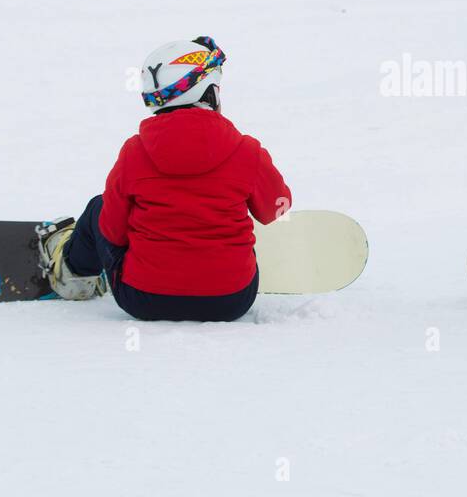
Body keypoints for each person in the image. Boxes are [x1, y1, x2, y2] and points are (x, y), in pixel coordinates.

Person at [34, 36, 291, 322]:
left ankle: (73, 274)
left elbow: (113, 231)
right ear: (209, 93)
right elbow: (274, 211)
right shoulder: (247, 151)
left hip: (144, 299)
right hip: (231, 301)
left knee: (99, 206)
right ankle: (218, 271)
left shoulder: (134, 152)